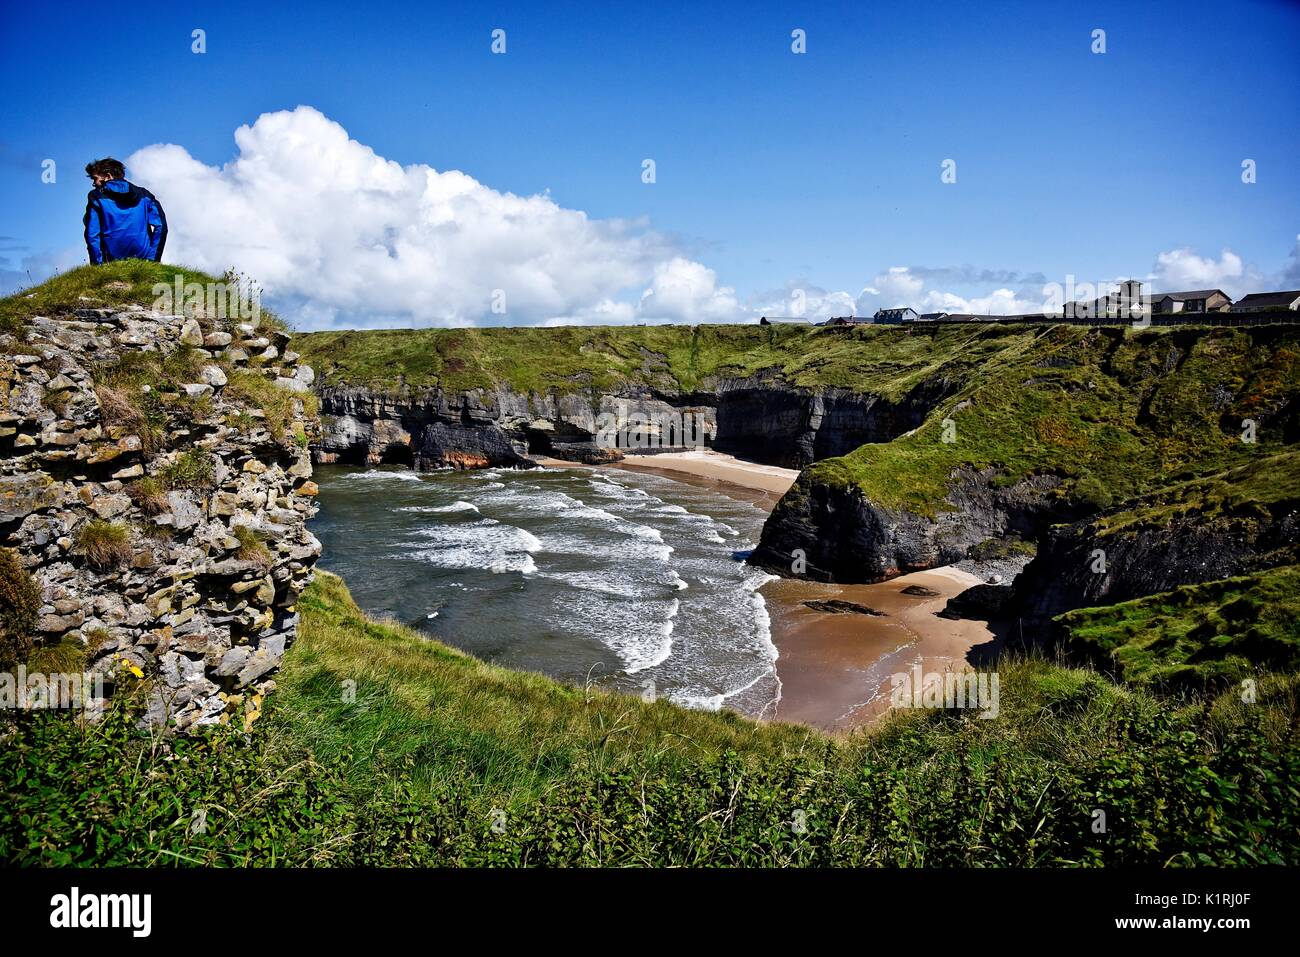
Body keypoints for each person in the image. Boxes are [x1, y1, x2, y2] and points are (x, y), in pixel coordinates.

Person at [83, 158, 167, 264]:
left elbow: (92, 234)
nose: (94, 183)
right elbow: (161, 226)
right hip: (143, 259)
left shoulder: (96, 197)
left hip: (112, 261)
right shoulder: (145, 195)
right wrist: (153, 260)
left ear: (108, 176)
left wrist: (97, 265)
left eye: (95, 178)